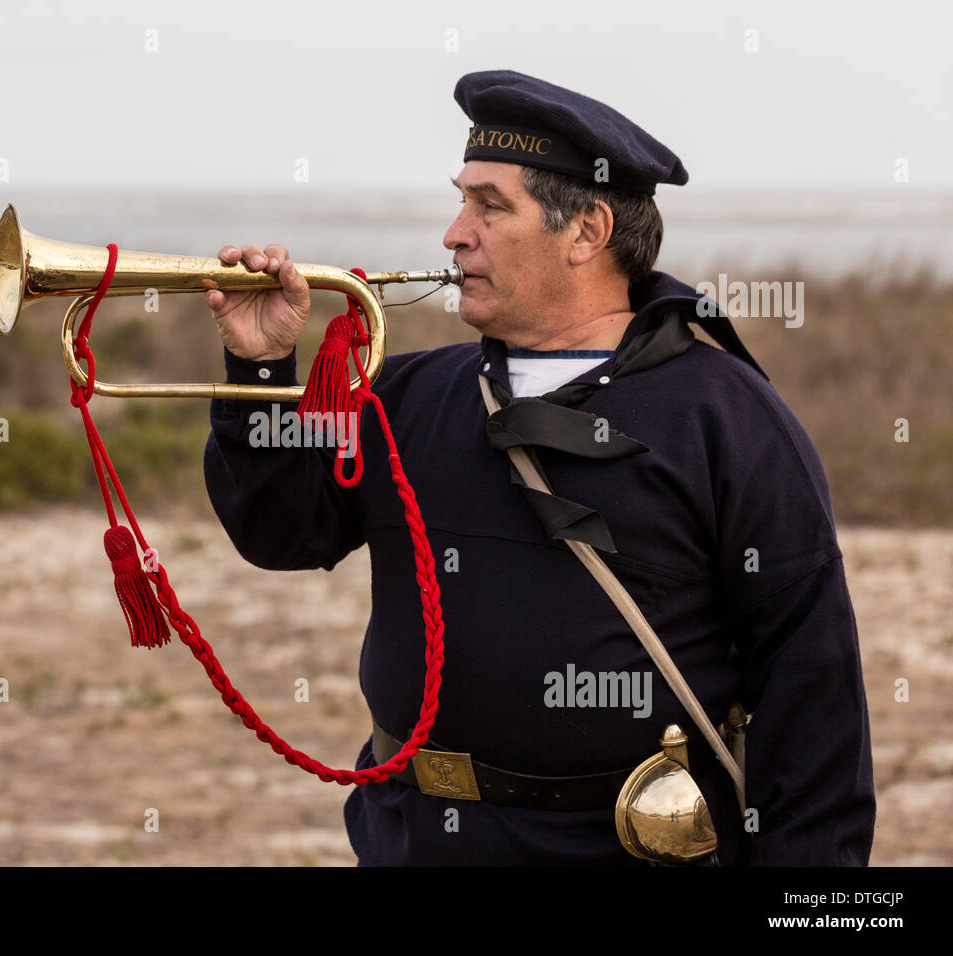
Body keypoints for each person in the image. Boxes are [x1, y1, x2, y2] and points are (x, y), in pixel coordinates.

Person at [201, 69, 875, 865]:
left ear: (586, 231)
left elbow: (814, 704)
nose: (455, 234)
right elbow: (282, 534)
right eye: (461, 202)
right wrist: (262, 373)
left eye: (490, 207)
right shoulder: (407, 393)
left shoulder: (729, 419)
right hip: (411, 840)